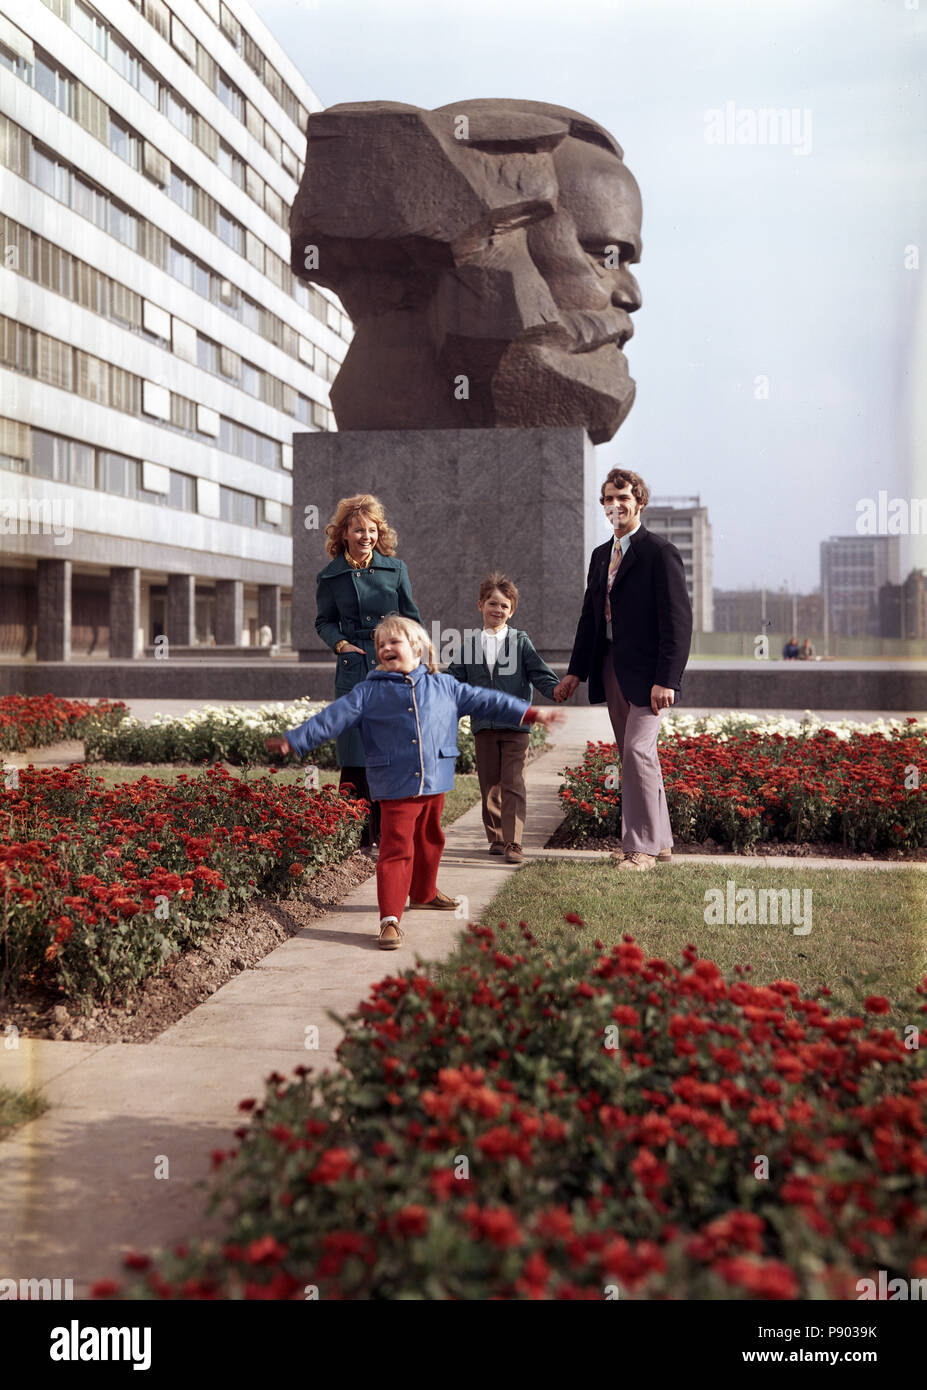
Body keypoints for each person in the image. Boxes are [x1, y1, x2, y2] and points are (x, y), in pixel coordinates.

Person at [266, 615, 563, 949]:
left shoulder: (444, 685)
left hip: (435, 778)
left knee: (430, 838)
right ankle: (389, 919)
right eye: (380, 645)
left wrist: (531, 713)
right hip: (394, 783)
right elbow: (331, 719)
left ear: (419, 648)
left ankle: (423, 894)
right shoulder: (368, 692)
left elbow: (488, 700)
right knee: (396, 849)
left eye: (394, 642)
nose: (386, 648)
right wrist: (296, 739)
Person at [553, 468, 692, 871]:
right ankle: (660, 841)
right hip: (612, 667)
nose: (615, 506)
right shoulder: (600, 556)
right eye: (607, 500)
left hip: (650, 676)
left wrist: (667, 679)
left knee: (636, 753)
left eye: (622, 498)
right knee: (634, 756)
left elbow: (678, 623)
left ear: (639, 503)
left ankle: (642, 849)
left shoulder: (659, 553)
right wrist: (574, 672)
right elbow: (589, 619)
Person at [315, 494, 421, 847]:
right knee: (354, 751)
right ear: (343, 533)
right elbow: (324, 621)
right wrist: (340, 644)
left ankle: (385, 833)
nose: (366, 536)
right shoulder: (331, 576)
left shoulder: (396, 569)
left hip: (389, 666)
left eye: (372, 530)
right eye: (358, 529)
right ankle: (351, 834)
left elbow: (412, 619)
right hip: (353, 667)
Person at [445, 573, 559, 863]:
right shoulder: (470, 644)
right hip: (484, 725)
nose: (498, 610)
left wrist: (556, 689)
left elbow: (538, 672)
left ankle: (514, 842)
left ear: (512, 611)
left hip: (516, 725)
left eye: (504, 606)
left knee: (514, 783)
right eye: (492, 603)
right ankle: (496, 837)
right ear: (480, 605)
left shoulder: (520, 642)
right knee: (489, 784)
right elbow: (455, 681)